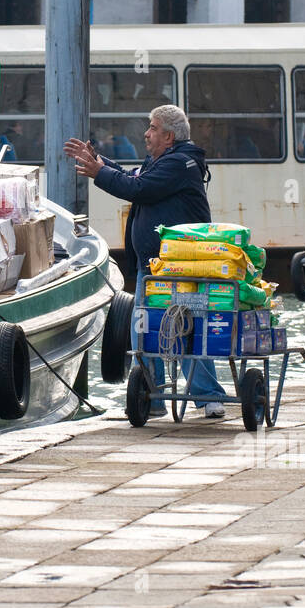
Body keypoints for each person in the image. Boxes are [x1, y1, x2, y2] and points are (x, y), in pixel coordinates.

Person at [65, 105, 228, 418]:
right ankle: (152, 401)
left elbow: (139, 188)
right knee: (146, 332)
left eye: (152, 128)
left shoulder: (181, 162)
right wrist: (99, 160)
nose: (146, 133)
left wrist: (98, 172)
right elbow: (132, 178)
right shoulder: (159, 161)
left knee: (188, 328)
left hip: (183, 266)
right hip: (151, 267)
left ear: (168, 136)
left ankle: (208, 398)